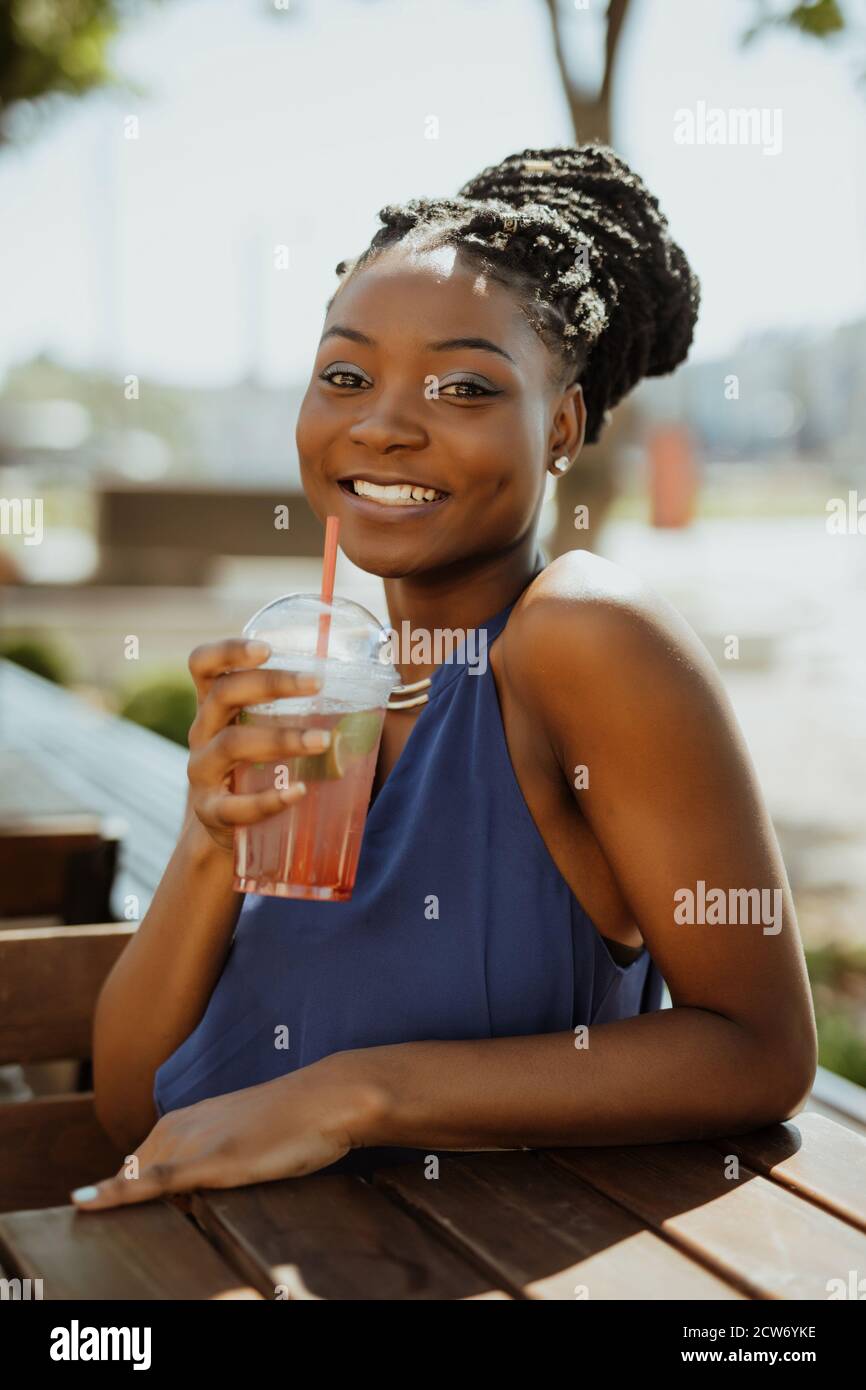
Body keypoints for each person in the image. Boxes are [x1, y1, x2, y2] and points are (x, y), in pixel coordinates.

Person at [77, 145, 816, 1209]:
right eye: (344, 376)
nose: (381, 423)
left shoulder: (578, 637)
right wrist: (206, 840)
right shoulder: (322, 681)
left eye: (463, 385)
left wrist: (353, 1094)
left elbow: (759, 1049)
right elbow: (132, 1105)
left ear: (559, 428)